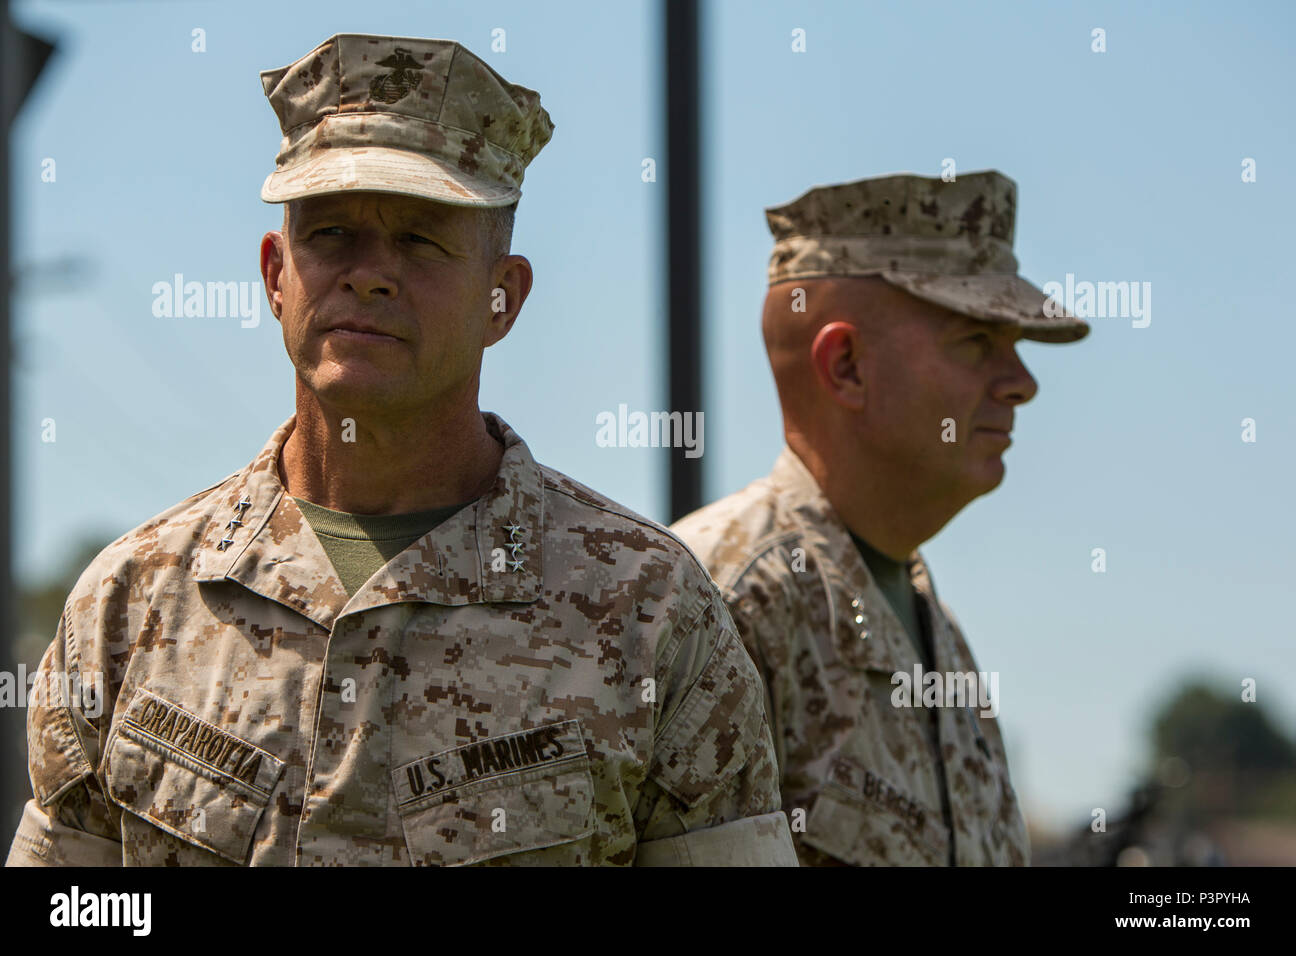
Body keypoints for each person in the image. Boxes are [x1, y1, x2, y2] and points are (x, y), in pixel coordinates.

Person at [6, 33, 795, 867]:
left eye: (422, 240)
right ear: (276, 274)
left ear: (505, 296)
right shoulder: (133, 604)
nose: (370, 275)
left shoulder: (649, 610)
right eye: (333, 234)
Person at [671, 170, 1089, 865]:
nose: (1023, 382)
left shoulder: (933, 629)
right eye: (977, 341)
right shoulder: (719, 603)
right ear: (846, 367)